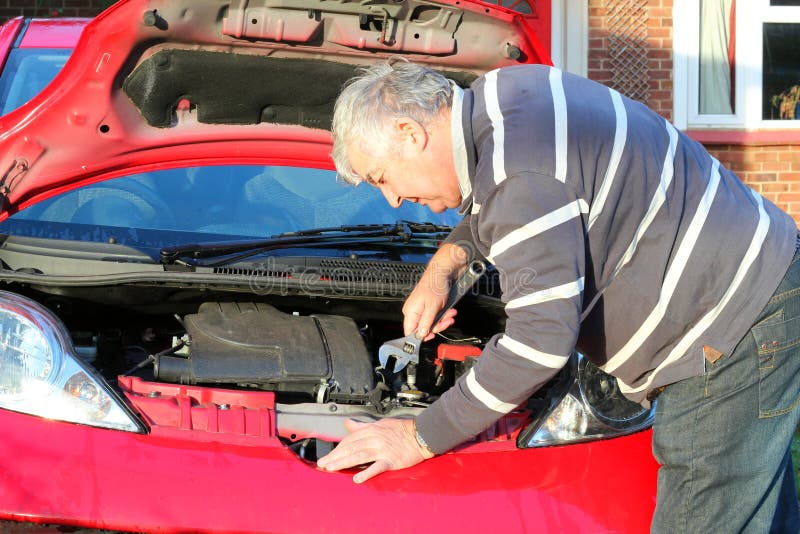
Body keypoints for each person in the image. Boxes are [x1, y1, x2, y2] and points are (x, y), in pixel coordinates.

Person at [315, 61, 800, 532]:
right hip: (757, 284)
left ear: (409, 133)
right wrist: (444, 266)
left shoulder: (518, 177)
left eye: (381, 178)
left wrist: (420, 437)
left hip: (728, 327)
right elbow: (512, 194)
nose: (392, 200)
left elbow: (540, 344)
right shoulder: (504, 94)